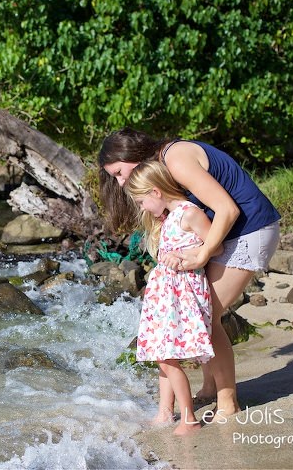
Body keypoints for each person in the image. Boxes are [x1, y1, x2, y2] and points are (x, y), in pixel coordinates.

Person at [98, 128, 280, 421]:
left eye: (119, 172)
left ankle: (228, 402)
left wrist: (202, 254)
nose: (119, 183)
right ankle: (210, 387)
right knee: (203, 315)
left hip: (249, 230)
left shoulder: (176, 158)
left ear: (131, 155)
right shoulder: (163, 167)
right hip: (229, 235)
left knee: (206, 315)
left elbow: (227, 209)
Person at [126, 160, 216, 435]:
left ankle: (189, 418)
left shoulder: (190, 213)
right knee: (160, 355)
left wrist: (185, 257)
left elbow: (215, 245)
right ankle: (165, 412)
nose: (142, 208)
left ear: (155, 191)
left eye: (141, 202)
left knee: (167, 356)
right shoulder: (168, 217)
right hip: (165, 294)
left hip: (181, 293)